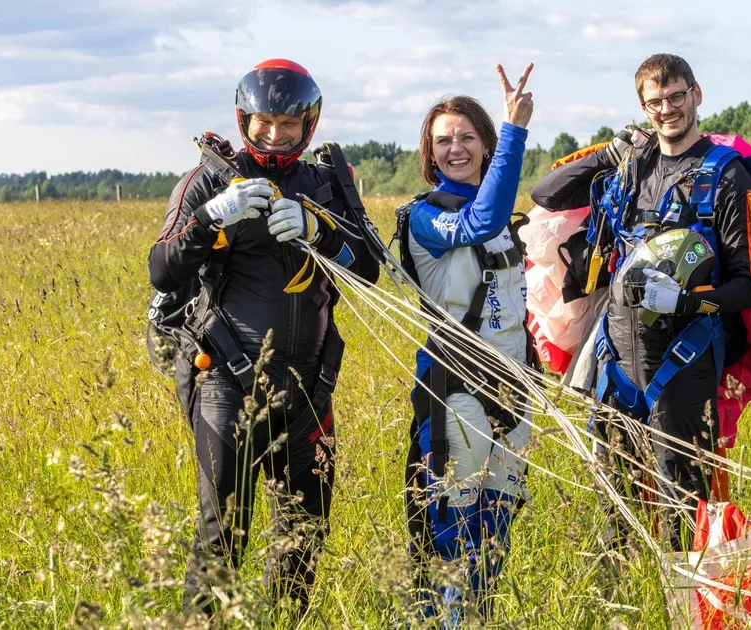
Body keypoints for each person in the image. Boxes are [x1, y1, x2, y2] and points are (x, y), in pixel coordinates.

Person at [147, 58, 380, 614]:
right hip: (227, 382)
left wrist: (319, 228)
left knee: (303, 536)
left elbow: (368, 267)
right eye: (263, 123)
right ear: (244, 119)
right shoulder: (207, 179)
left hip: (311, 386)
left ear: (309, 125)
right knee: (222, 535)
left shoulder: (326, 182)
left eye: (288, 125)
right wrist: (210, 220)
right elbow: (161, 269)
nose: (274, 136)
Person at [530, 53, 751, 549]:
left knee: (683, 507)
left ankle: (684, 612)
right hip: (616, 362)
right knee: (614, 509)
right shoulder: (630, 167)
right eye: (654, 102)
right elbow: (546, 194)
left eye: (676, 97)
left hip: (683, 365)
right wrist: (609, 153)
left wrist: (684, 301)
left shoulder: (728, 178)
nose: (667, 110)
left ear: (696, 95)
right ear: (642, 107)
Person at [400, 63, 535, 624]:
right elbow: (481, 220)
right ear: (430, 156)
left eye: (466, 136)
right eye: (443, 141)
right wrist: (515, 130)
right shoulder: (427, 217)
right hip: (457, 387)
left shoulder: (510, 217)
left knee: (497, 531)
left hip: (517, 389)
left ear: (482, 145)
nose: (455, 148)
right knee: (455, 536)